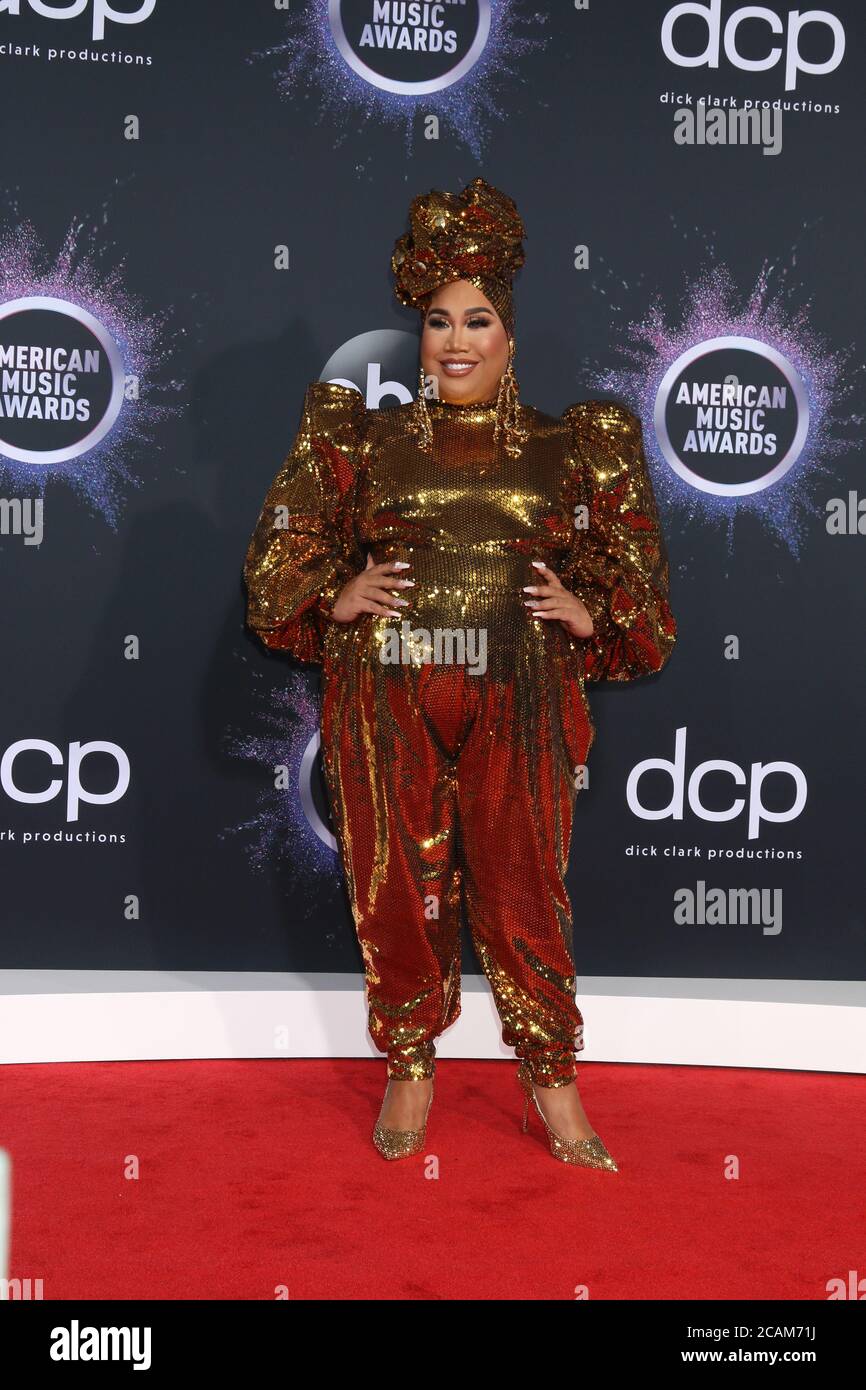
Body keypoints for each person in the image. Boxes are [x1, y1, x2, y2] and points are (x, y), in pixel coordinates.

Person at [243, 176, 677, 1171]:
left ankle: (550, 1075)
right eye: (437, 321)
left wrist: (589, 610)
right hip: (387, 682)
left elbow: (639, 592)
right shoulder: (362, 437)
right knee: (392, 881)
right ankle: (408, 1059)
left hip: (518, 692)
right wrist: (334, 591)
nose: (454, 341)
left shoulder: (575, 447)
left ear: (508, 332)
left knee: (524, 887)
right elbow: (279, 555)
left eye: (476, 319)